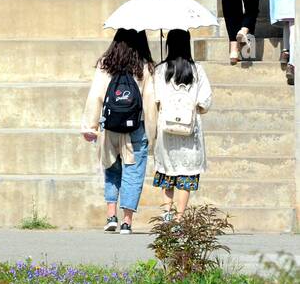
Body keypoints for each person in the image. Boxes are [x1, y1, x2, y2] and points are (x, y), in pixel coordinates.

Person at [82, 29, 157, 234]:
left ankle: (110, 215)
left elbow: (96, 95)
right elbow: (150, 103)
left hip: (109, 127)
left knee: (111, 168)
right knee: (133, 173)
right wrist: (152, 134)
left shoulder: (106, 64)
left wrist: (91, 125)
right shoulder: (145, 66)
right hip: (136, 128)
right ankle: (127, 222)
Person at [151, 29, 213, 220]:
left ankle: (167, 213)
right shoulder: (197, 70)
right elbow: (205, 102)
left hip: (166, 129)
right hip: (189, 130)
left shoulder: (161, 70)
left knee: (167, 171)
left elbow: (156, 99)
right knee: (186, 174)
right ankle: (179, 217)